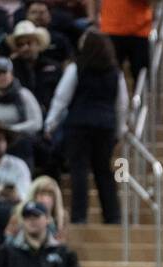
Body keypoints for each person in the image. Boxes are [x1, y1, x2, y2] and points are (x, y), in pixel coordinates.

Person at [44, 29, 126, 226]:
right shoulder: (116, 74)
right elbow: (121, 105)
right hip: (105, 127)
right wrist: (119, 130)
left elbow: (61, 98)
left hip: (79, 125)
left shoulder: (76, 69)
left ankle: (79, 217)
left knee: (79, 171)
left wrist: (50, 124)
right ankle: (113, 217)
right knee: (103, 172)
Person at [99, 0, 154, 81]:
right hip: (111, 28)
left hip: (140, 30)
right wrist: (92, 17)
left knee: (141, 78)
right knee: (107, 77)